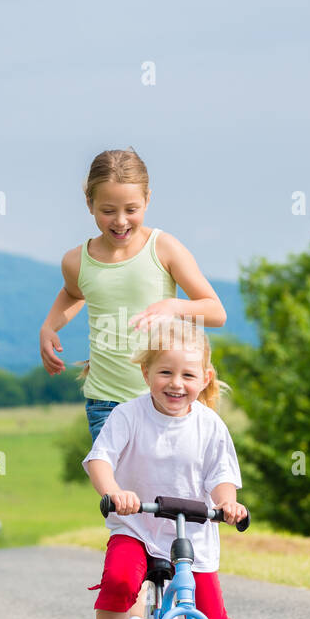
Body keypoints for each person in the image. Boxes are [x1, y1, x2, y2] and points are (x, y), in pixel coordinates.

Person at [76, 317, 260, 619]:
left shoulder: (210, 425)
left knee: (212, 613)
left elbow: (221, 474)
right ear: (146, 373)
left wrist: (226, 503)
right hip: (136, 525)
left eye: (188, 375)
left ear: (205, 377)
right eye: (165, 372)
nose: (176, 383)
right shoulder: (128, 415)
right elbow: (100, 460)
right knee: (121, 582)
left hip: (189, 534)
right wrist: (115, 492)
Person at [38, 148, 227, 443]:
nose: (120, 221)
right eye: (108, 211)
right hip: (105, 404)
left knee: (169, 489)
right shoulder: (77, 261)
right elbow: (72, 293)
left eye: (131, 209)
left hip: (164, 400)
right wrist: (49, 327)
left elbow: (216, 312)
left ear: (148, 199)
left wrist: (173, 306)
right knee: (117, 490)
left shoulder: (163, 248)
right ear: (89, 203)